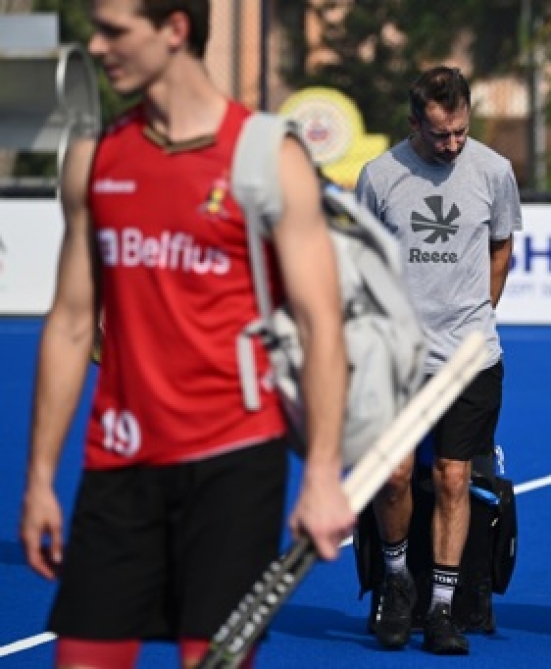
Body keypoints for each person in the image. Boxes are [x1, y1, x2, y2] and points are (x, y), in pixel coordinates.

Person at [17, 2, 355, 667]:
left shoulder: (270, 156)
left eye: (115, 29)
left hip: (233, 466)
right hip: (120, 464)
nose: (97, 44)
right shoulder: (93, 157)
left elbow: (321, 323)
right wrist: (38, 478)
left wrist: (320, 472)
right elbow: (70, 322)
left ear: (175, 29)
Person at [355, 65, 521, 655]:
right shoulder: (379, 176)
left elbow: (501, 246)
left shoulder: (494, 172)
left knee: (453, 478)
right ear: (413, 124)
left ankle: (444, 607)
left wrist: (481, 314)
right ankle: (397, 582)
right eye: (438, 135)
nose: (451, 146)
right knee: (395, 475)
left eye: (460, 133)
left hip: (471, 358)